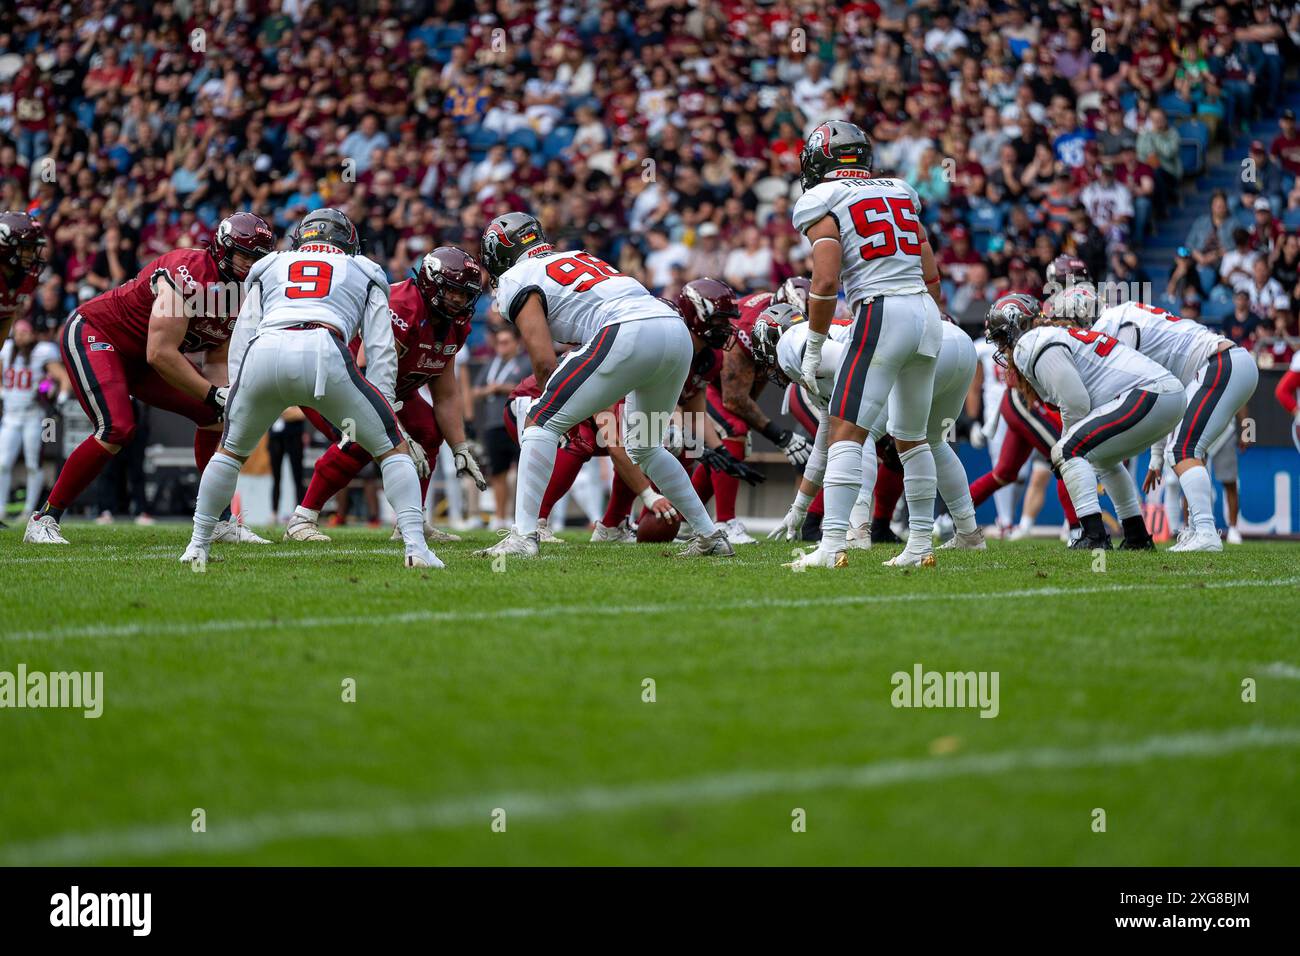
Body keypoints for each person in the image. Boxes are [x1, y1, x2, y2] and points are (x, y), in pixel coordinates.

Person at [179, 208, 440, 569]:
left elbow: (243, 332)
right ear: (348, 241)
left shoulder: (270, 264)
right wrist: (386, 410)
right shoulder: (364, 269)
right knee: (391, 450)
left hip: (265, 351)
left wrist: (236, 389)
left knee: (228, 453)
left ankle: (196, 546)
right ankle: (416, 549)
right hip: (323, 348)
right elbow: (379, 348)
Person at [473, 211, 732, 558]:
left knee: (540, 419)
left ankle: (524, 536)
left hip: (628, 331)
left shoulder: (517, 278)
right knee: (646, 446)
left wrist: (561, 408)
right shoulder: (576, 255)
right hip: (673, 330)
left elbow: (544, 361)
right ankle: (709, 536)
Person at [25, 212, 275, 545]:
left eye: (257, 258)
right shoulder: (188, 273)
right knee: (117, 428)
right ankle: (44, 518)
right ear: (222, 249)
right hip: (99, 334)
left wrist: (223, 397)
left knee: (215, 416)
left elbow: (216, 355)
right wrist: (214, 393)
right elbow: (160, 352)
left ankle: (217, 520)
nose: (250, 264)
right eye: (245, 255)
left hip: (141, 357)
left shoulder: (241, 295)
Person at [786, 120, 945, 570]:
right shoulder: (899, 188)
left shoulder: (820, 198)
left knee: (844, 429)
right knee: (912, 437)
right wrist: (934, 311)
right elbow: (928, 263)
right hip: (922, 311)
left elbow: (826, 278)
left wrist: (815, 342)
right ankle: (919, 545)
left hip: (881, 311)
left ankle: (832, 544)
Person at [284, 247, 489, 543]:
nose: (460, 300)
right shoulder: (401, 306)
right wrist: (399, 434)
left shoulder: (455, 323)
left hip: (388, 390)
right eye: (453, 291)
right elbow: (371, 376)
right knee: (362, 437)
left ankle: (410, 521)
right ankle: (302, 518)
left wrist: (460, 447)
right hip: (337, 380)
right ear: (431, 283)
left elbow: (445, 393)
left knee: (429, 431)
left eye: (466, 294)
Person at [990, 289, 1186, 551]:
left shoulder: (1031, 342)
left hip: (1150, 394)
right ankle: (1137, 536)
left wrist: (1068, 449)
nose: (1002, 346)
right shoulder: (1051, 335)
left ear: (1019, 324)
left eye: (1003, 336)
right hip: (1163, 395)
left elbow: (1076, 403)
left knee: (1066, 449)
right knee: (1103, 459)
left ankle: (1093, 536)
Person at [0, 319, 66, 524]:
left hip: (33, 416)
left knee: (32, 463)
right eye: (17, 332)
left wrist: (59, 396)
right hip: (10, 415)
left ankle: (29, 510)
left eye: (24, 332)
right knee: (2, 463)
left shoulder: (42, 351)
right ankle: (0, 508)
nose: (20, 336)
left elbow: (63, 378)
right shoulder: (7, 348)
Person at [472, 325, 528, 530]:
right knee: (498, 473)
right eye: (499, 342)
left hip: (518, 423)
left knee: (524, 473)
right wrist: (490, 389)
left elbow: (533, 386)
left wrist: (504, 387)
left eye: (506, 342)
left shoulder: (526, 362)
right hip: (494, 423)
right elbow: (475, 391)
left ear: (517, 343)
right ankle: (500, 516)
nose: (501, 347)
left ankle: (524, 518)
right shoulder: (491, 364)